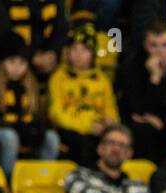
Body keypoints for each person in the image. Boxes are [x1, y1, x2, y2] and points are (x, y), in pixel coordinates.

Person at [0, 32, 61, 178]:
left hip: (20, 129)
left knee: (51, 137)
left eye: (22, 63)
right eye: (12, 62)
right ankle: (7, 181)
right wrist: (15, 127)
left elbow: (36, 116)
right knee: (10, 137)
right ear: (2, 62)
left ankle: (43, 180)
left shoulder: (31, 84)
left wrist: (34, 128)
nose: (17, 67)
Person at [119, 19, 166, 164]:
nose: (160, 51)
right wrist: (155, 78)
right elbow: (137, 109)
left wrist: (163, 123)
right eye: (154, 45)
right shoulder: (133, 64)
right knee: (143, 130)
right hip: (139, 122)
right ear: (145, 45)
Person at [48, 21, 120, 165]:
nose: (79, 55)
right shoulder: (58, 77)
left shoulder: (102, 79)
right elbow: (56, 114)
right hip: (69, 129)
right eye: (74, 49)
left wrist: (109, 124)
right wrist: (87, 126)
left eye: (85, 50)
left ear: (92, 54)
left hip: (98, 131)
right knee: (83, 145)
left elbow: (111, 112)